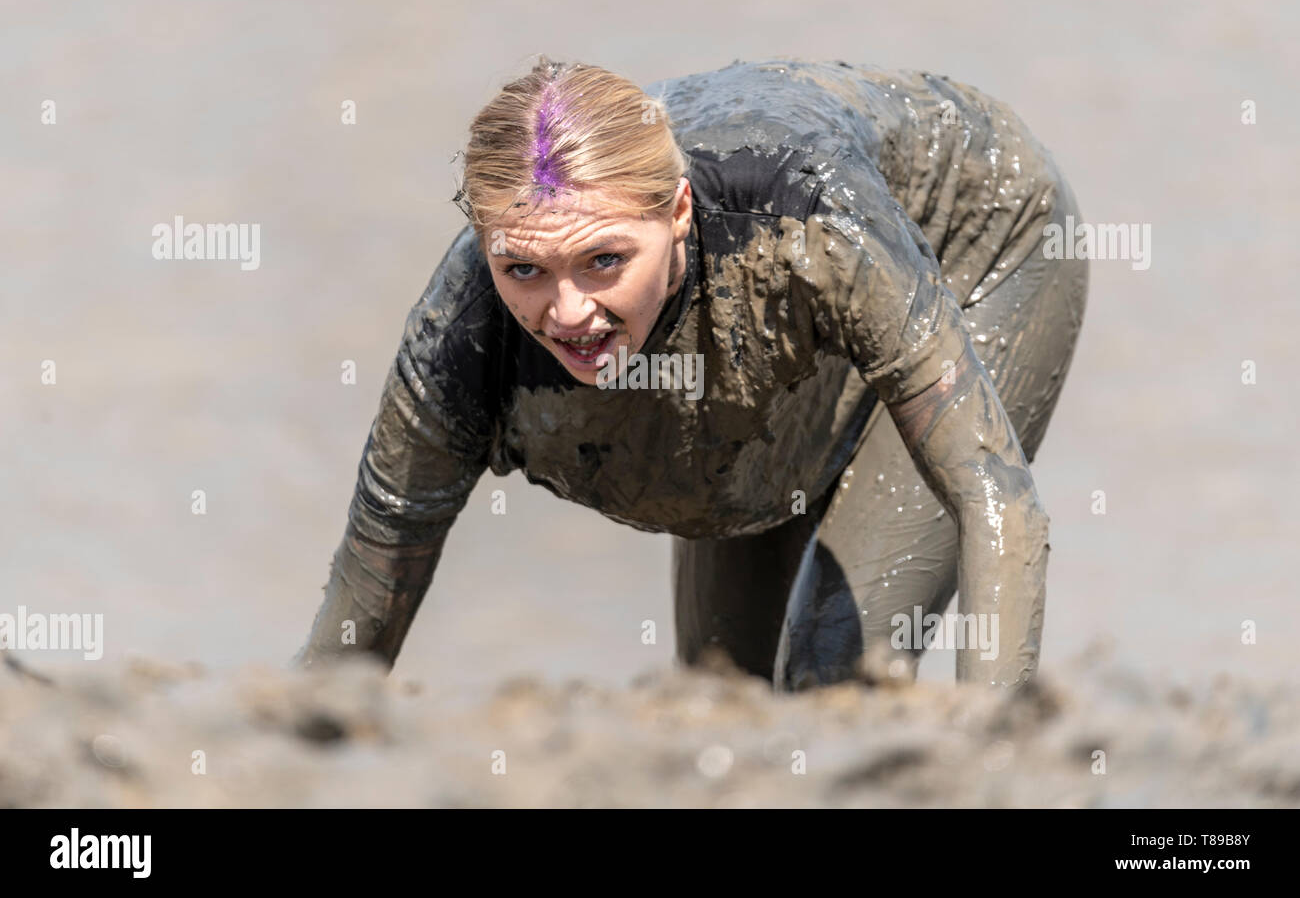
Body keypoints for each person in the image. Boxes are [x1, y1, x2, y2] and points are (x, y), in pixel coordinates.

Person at [293, 55, 1088, 689]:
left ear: (676, 216)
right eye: (525, 270)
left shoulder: (809, 219)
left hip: (979, 245)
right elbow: (355, 627)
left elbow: (998, 502)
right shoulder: (462, 336)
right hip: (762, 330)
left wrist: (995, 754)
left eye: (604, 260)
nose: (567, 312)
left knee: (830, 675)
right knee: (720, 702)